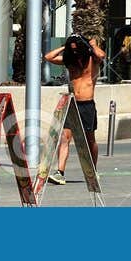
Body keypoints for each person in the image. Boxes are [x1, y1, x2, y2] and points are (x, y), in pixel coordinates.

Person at [43, 34, 106, 184]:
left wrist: (91, 45)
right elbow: (49, 57)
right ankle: (60, 172)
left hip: (87, 105)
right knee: (64, 138)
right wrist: (67, 46)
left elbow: (101, 54)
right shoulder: (70, 61)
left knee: (90, 140)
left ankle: (93, 171)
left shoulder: (94, 61)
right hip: (71, 103)